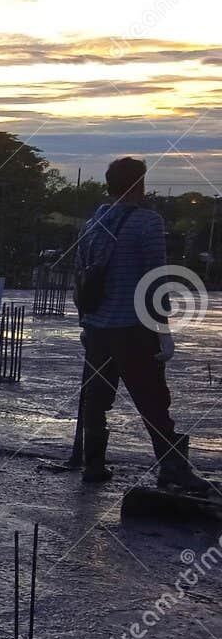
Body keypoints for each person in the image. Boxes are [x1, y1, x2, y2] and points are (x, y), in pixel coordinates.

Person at [75, 156, 215, 494]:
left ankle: (92, 465)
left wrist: (87, 322)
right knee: (153, 400)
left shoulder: (93, 223)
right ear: (140, 184)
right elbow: (155, 281)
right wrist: (163, 332)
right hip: (133, 329)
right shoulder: (147, 222)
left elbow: (80, 276)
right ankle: (172, 469)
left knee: (97, 397)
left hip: (97, 329)